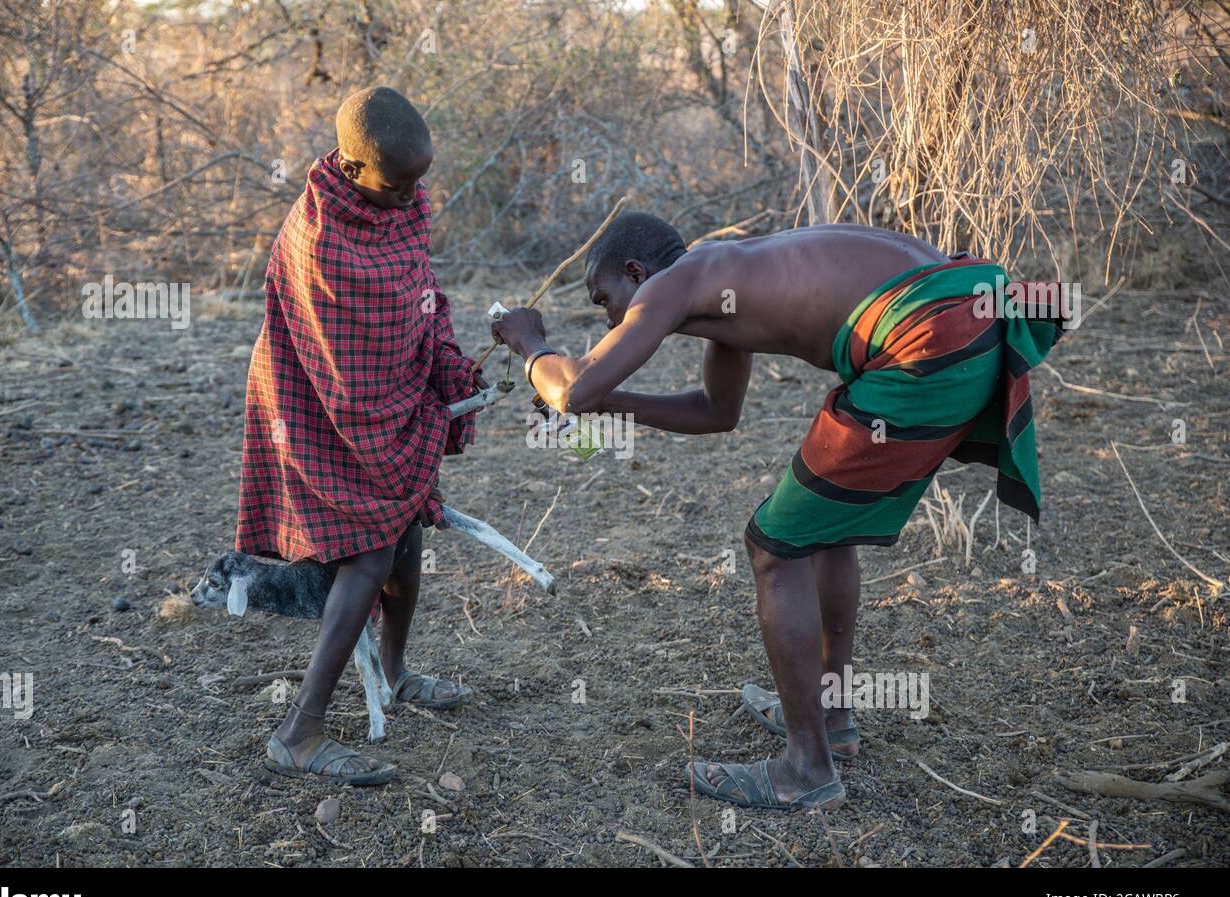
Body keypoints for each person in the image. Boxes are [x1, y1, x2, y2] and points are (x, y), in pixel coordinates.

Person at [490, 213, 1063, 810]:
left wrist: (529, 341)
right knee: (823, 528)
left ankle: (805, 769)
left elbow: (573, 387)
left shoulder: (670, 285)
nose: (613, 321)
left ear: (638, 273)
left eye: (606, 300)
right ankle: (832, 715)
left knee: (774, 546)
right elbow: (718, 412)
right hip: (966, 309)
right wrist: (607, 402)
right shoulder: (718, 273)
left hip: (926, 333)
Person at [236, 87, 482, 784]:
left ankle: (397, 671)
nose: (412, 196)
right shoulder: (320, 240)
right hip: (318, 400)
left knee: (406, 536)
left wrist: (450, 365)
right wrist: (426, 409)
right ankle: (300, 730)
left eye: (419, 181)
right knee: (370, 552)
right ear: (350, 169)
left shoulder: (401, 206)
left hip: (389, 401)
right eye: (397, 182)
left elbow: (422, 296)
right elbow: (347, 369)